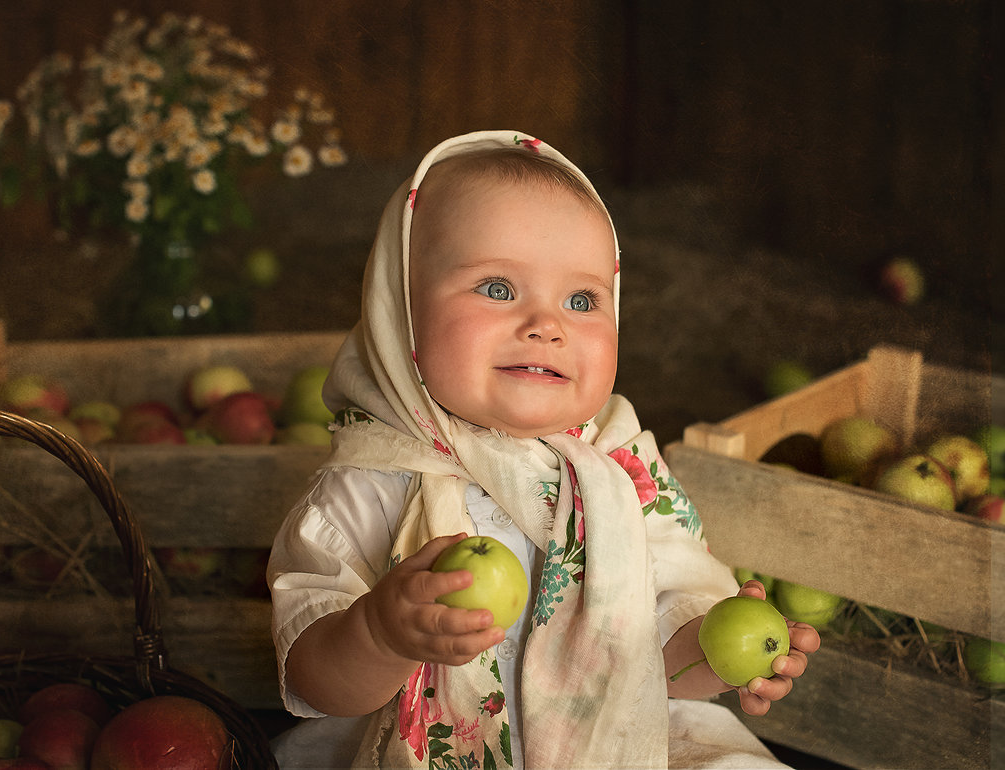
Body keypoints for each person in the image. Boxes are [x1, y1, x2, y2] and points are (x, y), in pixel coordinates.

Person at [267, 130, 820, 769]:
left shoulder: (620, 467)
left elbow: (661, 651)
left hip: (615, 737)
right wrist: (378, 633)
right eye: (498, 288)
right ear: (400, 314)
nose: (546, 325)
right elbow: (314, 682)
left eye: (581, 301)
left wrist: (723, 653)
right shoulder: (371, 482)